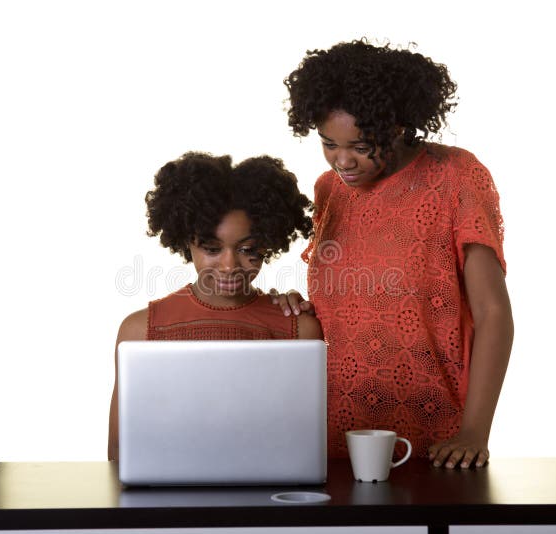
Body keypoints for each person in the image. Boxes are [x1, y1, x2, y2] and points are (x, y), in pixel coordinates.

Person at [280, 39, 513, 469]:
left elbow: (493, 312)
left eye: (362, 146)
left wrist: (475, 431)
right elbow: (352, 304)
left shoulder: (455, 177)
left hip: (435, 442)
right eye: (329, 144)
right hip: (334, 439)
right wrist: (298, 309)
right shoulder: (329, 191)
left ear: (398, 127)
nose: (342, 161)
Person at [107, 151, 323, 461]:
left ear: (268, 242)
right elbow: (118, 453)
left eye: (247, 249)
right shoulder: (140, 329)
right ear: (185, 242)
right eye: (211, 248)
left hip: (270, 500)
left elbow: (306, 445)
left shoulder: (299, 328)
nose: (228, 265)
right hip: (167, 502)